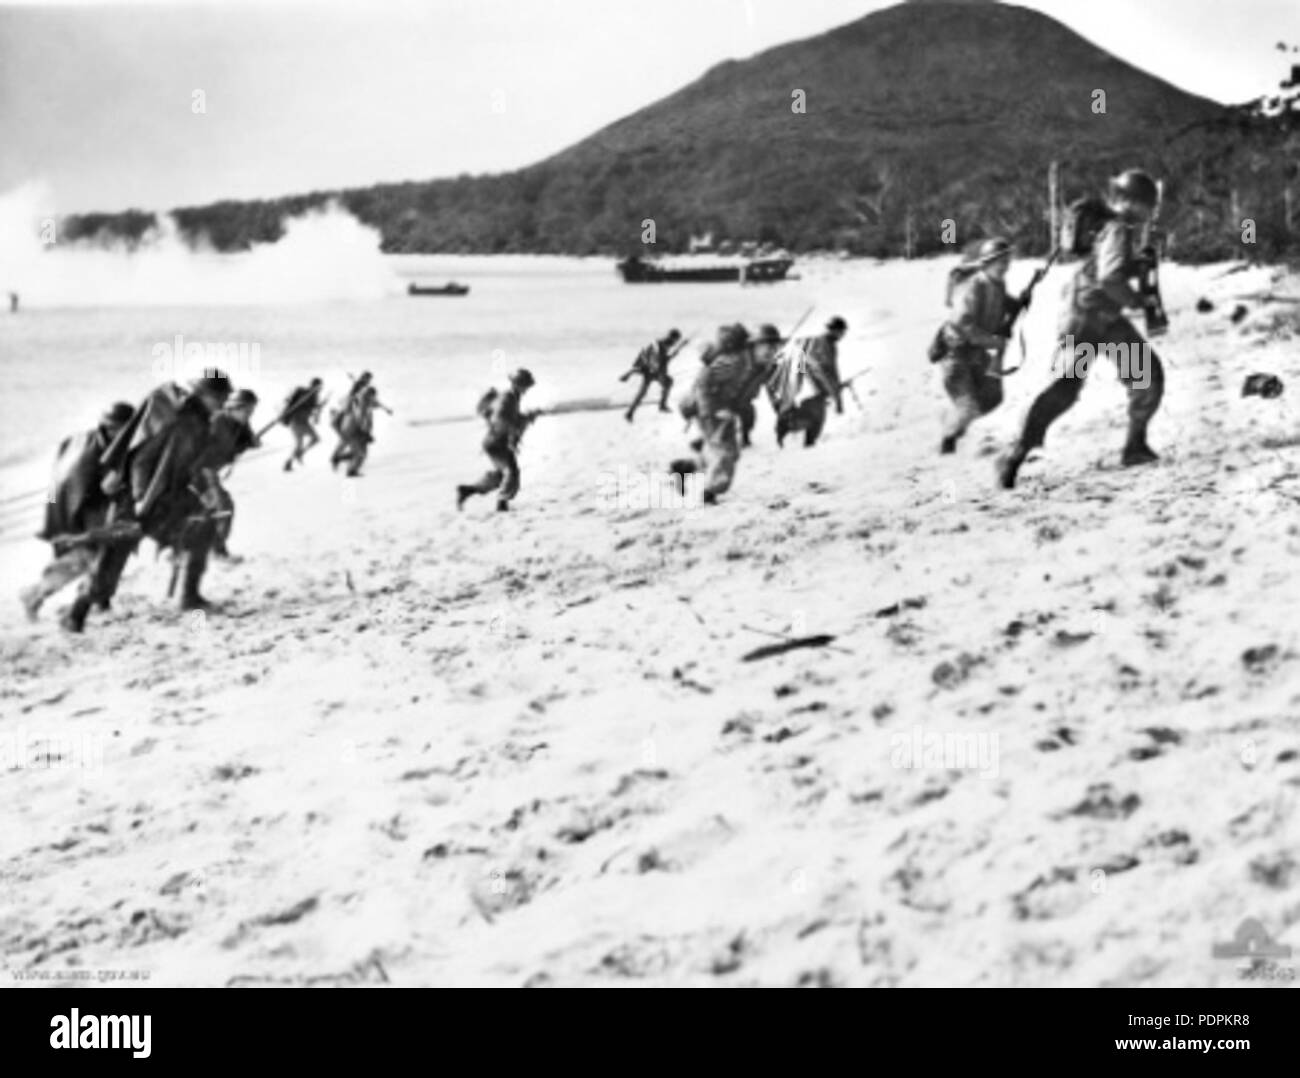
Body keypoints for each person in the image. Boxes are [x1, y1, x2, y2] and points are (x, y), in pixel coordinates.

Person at [998, 168, 1166, 489]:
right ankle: (1017, 452)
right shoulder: (1118, 229)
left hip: (1096, 316)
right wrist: (1137, 302)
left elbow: (1109, 268)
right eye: (1147, 205)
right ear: (1133, 203)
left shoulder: (1116, 228)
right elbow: (1109, 277)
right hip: (1088, 316)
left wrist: (1138, 265)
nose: (1149, 212)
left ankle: (1134, 447)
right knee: (1068, 385)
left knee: (1142, 375)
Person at [63, 372, 233, 632]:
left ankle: (187, 596)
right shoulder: (176, 418)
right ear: (205, 395)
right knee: (112, 558)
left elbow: (189, 461)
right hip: (135, 500)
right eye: (220, 398)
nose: (222, 403)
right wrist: (142, 496)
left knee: (200, 527)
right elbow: (141, 458)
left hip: (169, 496)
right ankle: (76, 614)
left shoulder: (199, 421)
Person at [20, 401, 135, 621]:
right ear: (110, 427)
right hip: (82, 508)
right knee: (89, 555)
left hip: (81, 503)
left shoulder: (100, 443)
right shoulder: (91, 451)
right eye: (125, 429)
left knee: (105, 553)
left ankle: (102, 602)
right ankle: (34, 594)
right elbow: (68, 483)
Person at [934, 237, 1024, 454]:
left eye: (1007, 261)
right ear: (987, 263)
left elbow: (1002, 301)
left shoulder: (997, 284)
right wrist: (994, 341)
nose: (1005, 266)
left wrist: (1019, 301)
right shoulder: (975, 285)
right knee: (968, 407)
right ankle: (947, 443)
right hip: (956, 355)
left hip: (976, 354)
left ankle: (954, 422)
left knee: (993, 396)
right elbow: (962, 323)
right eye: (1000, 262)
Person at [678, 325, 752, 504]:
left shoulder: (735, 359)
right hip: (714, 411)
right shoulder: (729, 362)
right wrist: (713, 410)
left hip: (717, 409)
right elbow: (705, 383)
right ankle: (709, 491)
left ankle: (684, 468)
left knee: (726, 451)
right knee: (725, 452)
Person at [457, 368, 538, 512]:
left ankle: (468, 491)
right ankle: (502, 505)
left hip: (495, 441)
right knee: (512, 472)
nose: (527, 388)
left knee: (501, 475)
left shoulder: (512, 397)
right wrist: (522, 421)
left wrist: (525, 417)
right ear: (517, 384)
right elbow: (500, 419)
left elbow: (507, 418)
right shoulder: (508, 397)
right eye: (525, 384)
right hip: (496, 441)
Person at [199, 389, 260, 560]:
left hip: (209, 473)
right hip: (199, 472)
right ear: (234, 407)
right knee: (223, 507)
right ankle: (217, 551)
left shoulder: (239, 425)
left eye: (252, 411)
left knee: (212, 510)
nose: (249, 415)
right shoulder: (217, 421)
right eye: (247, 411)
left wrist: (249, 443)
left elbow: (249, 443)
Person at [769, 316, 847, 447]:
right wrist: (834, 394)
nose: (843, 335)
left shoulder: (830, 345)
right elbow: (820, 370)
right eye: (841, 332)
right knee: (815, 415)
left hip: (807, 383)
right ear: (835, 330)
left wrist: (835, 388)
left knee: (816, 414)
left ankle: (803, 438)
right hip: (802, 382)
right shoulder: (822, 344)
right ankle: (787, 428)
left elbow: (831, 370)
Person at [622, 329, 685, 421]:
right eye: (676, 340)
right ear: (673, 338)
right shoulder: (660, 345)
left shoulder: (661, 343)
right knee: (645, 392)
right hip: (653, 372)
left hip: (652, 371)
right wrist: (675, 352)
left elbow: (663, 356)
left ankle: (632, 412)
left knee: (667, 383)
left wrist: (680, 347)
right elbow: (663, 360)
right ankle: (660, 406)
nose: (675, 343)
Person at [331, 385, 380, 477]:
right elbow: (360, 419)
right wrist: (365, 433)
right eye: (372, 396)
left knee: (362, 453)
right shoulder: (363, 405)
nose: (373, 398)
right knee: (360, 453)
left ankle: (347, 466)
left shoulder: (358, 400)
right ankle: (344, 464)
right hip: (354, 430)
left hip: (349, 429)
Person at [281, 377, 323, 472]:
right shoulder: (302, 391)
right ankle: (289, 463)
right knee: (299, 444)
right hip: (295, 421)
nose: (320, 389)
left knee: (315, 439)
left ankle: (298, 455)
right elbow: (289, 401)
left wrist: (318, 409)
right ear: (314, 385)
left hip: (304, 422)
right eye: (319, 387)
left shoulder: (315, 396)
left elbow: (313, 412)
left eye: (320, 387)